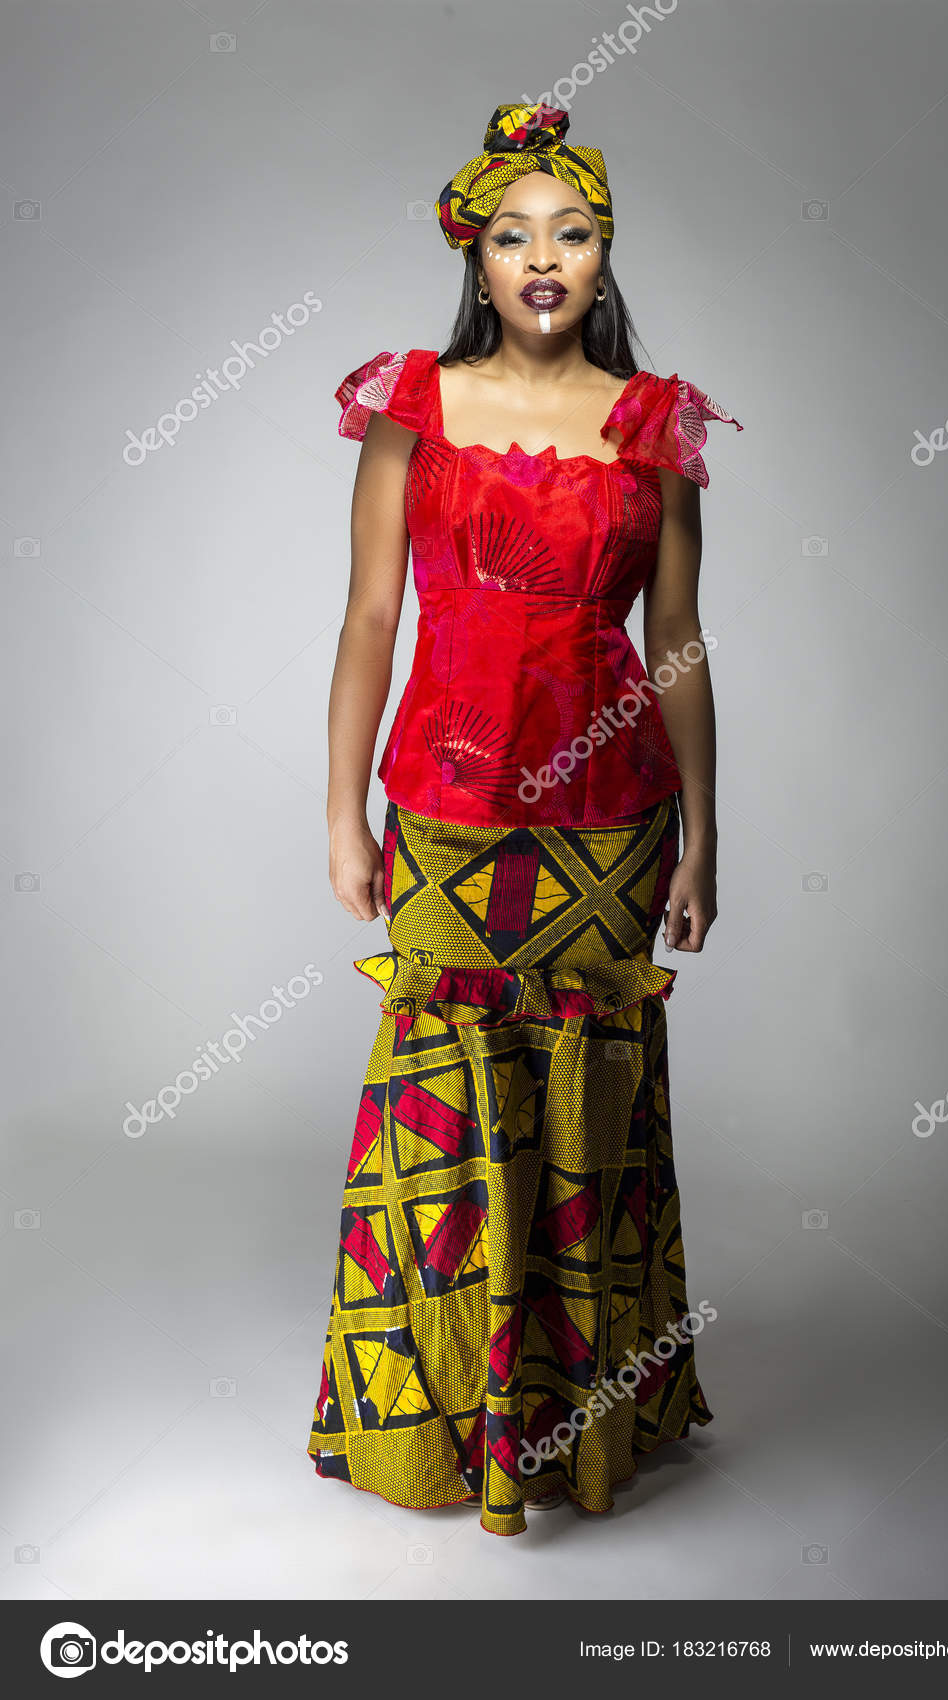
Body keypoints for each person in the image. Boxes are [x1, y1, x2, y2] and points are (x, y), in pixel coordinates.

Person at [306, 100, 742, 1538]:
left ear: (604, 254)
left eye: (571, 232)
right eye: (513, 236)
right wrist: (340, 813)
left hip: (611, 824)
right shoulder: (411, 405)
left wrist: (707, 831)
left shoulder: (653, 421)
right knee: (441, 1113)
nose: (542, 258)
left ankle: (582, 1425)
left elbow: (675, 639)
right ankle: (435, 1426)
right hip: (445, 802)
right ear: (476, 258)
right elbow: (372, 616)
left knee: (586, 1105)